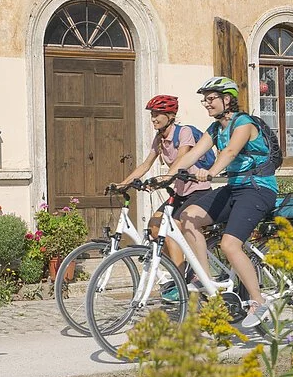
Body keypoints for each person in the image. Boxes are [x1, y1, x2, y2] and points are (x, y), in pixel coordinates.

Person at [167, 77, 279, 330]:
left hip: (258, 188)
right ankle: (206, 282)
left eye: (211, 99)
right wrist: (164, 175)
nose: (206, 104)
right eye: (204, 100)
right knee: (188, 216)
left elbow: (229, 152)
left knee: (230, 245)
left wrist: (212, 171)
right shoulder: (215, 128)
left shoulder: (244, 123)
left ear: (226, 99)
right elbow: (194, 154)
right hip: (235, 188)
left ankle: (258, 301)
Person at [112, 95, 212, 273]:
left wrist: (164, 178)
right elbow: (146, 164)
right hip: (180, 192)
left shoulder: (183, 132)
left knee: (171, 227)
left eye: (158, 114)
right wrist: (123, 183)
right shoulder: (159, 139)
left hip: (198, 190)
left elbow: (183, 157)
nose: (153, 118)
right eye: (152, 114)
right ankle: (176, 269)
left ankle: (179, 279)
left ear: (171, 116)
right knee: (155, 227)